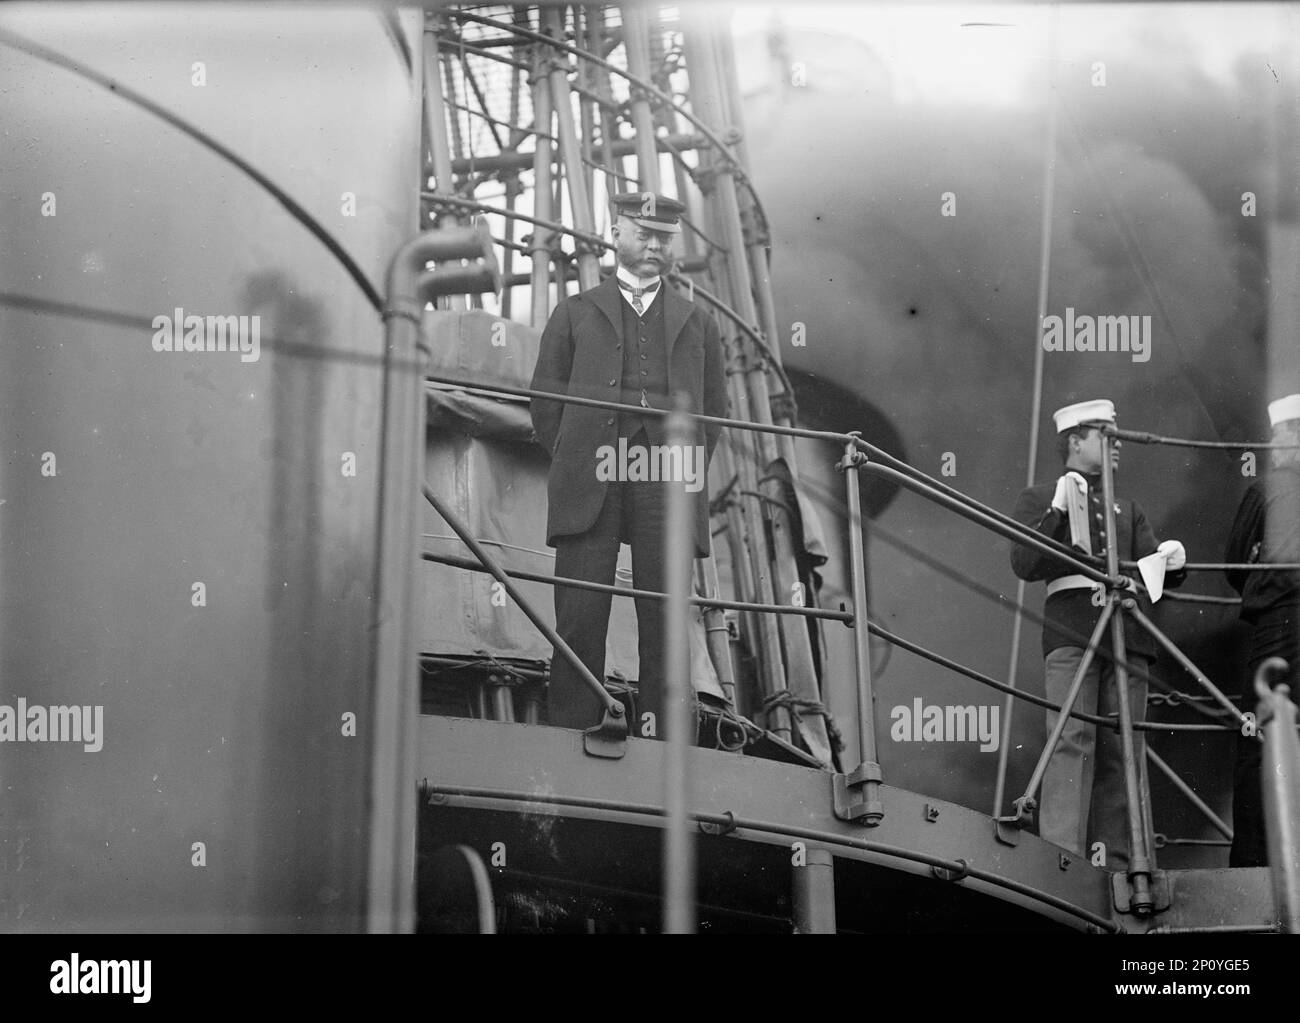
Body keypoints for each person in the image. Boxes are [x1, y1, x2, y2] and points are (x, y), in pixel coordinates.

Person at [529, 192, 728, 738]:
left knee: (663, 616)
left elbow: (714, 413)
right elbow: (546, 404)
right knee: (580, 612)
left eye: (663, 238)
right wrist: (577, 459)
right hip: (592, 474)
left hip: (664, 478)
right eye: (643, 234)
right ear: (616, 233)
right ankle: (573, 729)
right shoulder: (574, 313)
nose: (653, 246)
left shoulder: (699, 324)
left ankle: (662, 738)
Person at [1010, 399, 1186, 867]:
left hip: (1127, 633)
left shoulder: (1128, 509)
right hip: (1072, 630)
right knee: (1072, 739)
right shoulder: (1038, 497)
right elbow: (1025, 564)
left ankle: (1123, 865)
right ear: (1075, 440)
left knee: (1122, 746)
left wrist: (1173, 562)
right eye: (1106, 434)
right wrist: (1056, 512)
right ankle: (1061, 860)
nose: (1117, 445)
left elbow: (1156, 576)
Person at [1224, 393, 1300, 866]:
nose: (1272, 444)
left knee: (1259, 740)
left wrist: (1258, 574)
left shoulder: (1268, 489)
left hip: (1280, 625)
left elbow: (1233, 561)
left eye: (1280, 434)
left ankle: (1254, 862)